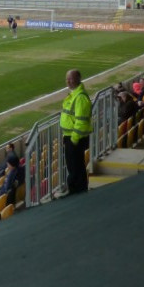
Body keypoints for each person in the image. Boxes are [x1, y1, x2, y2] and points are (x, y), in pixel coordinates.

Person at [58, 69, 91, 198]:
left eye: (70, 78)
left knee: (75, 167)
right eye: (67, 78)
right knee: (75, 166)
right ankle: (79, 190)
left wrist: (74, 139)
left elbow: (81, 121)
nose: (68, 81)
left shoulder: (80, 97)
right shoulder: (74, 95)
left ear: (78, 79)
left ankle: (75, 192)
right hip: (70, 136)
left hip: (75, 138)